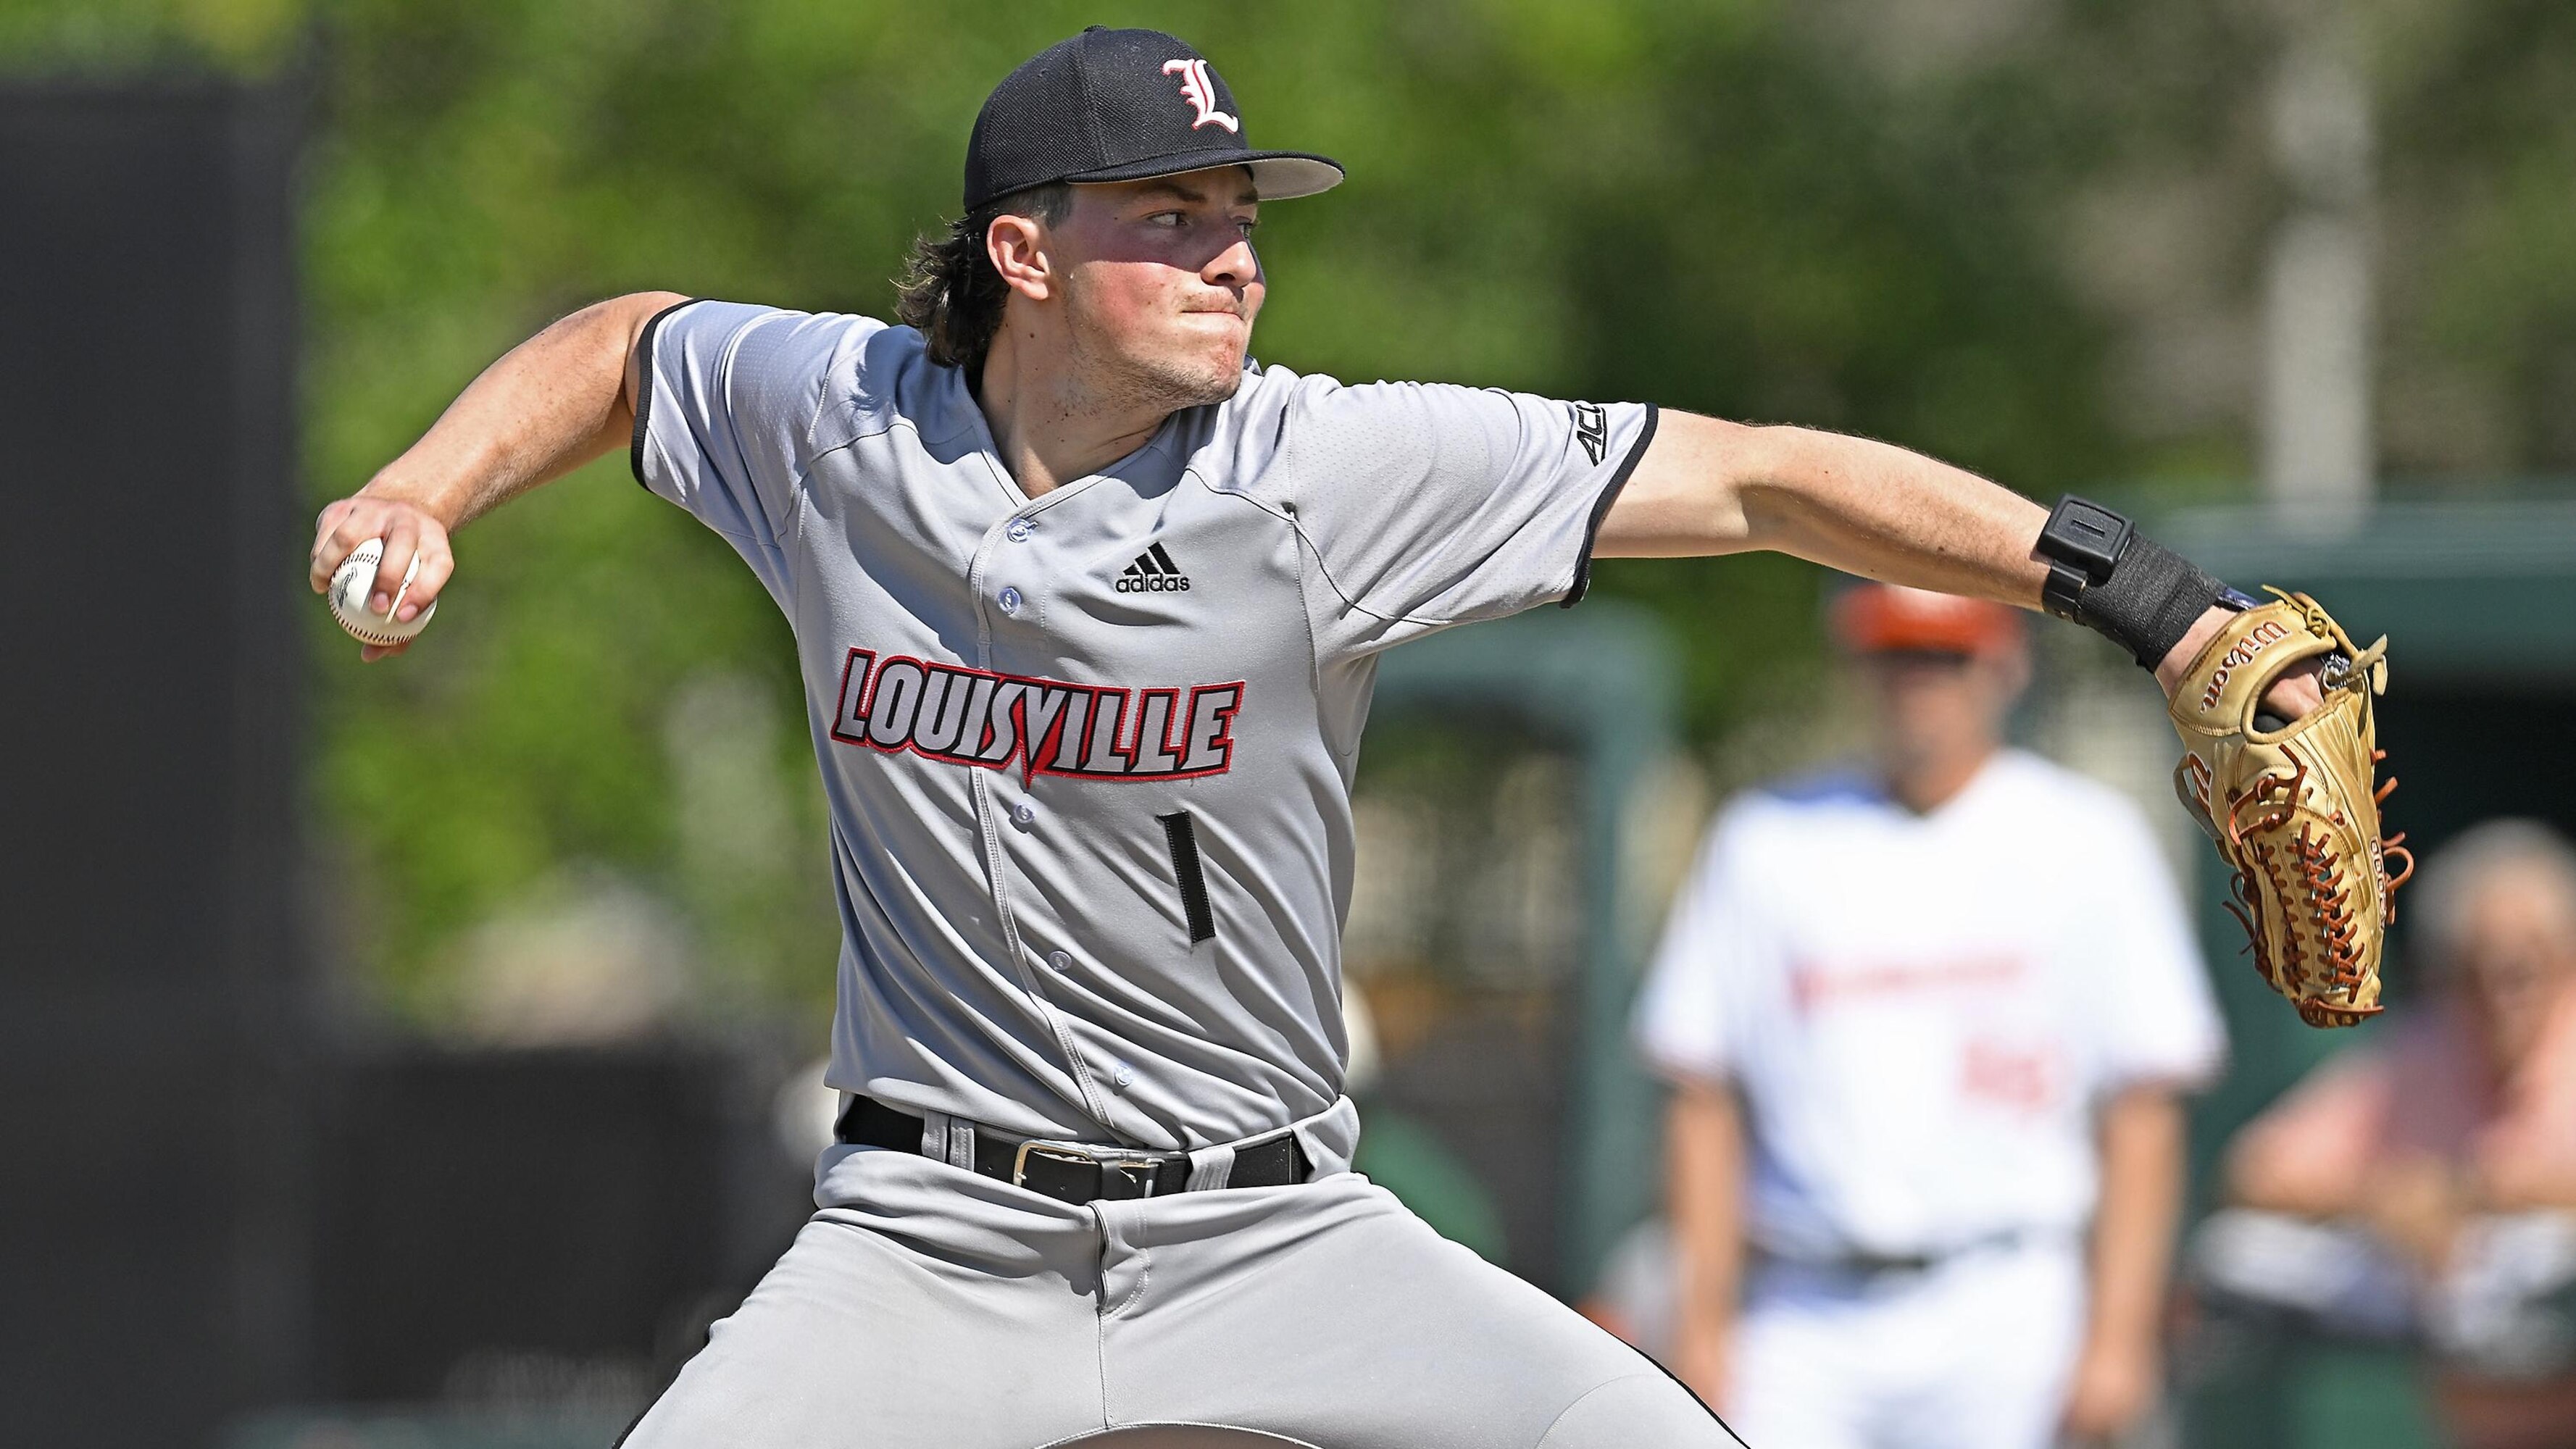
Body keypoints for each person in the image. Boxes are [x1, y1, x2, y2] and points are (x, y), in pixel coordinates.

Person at [306, 26, 2319, 1448]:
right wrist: (425, 486)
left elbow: (1765, 478)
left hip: (1265, 1224)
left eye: (1241, 210)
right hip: (928, 1235)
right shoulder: (841, 426)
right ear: (1023, 250)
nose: (1233, 250)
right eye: (1169, 215)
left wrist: (2144, 598)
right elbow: (627, 339)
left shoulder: (1324, 470)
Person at [1630, 582, 2227, 1449]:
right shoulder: (1766, 838)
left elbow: (2143, 1111)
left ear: (2004, 665)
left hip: (2006, 1293)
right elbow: (1702, 1097)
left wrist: (2119, 1337)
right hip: (1805, 1297)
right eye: (1895, 658)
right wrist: (1703, 1320)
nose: (1919, 683)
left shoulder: (2085, 837)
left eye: (1945, 658)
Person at [2217, 819, 2576, 1449]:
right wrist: (2381, 1196)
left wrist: (2469, 1195)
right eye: (2472, 971)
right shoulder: (2427, 1047)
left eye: (2521, 970)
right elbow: (2254, 1172)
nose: (2498, 996)